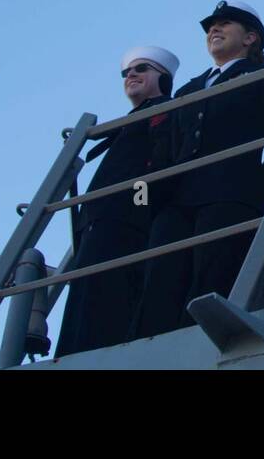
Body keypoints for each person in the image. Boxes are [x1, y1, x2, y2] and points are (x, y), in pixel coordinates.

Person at [132, 0, 264, 337]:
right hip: (178, 202)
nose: (214, 30)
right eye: (211, 26)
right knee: (160, 283)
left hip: (229, 197)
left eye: (225, 24)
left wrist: (254, 190)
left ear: (251, 38)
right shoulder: (190, 88)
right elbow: (166, 148)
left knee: (211, 281)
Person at [55, 46, 178, 357]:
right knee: (86, 294)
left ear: (163, 79)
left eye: (142, 69)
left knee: (106, 297)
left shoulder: (165, 110)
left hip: (126, 222)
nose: (131, 75)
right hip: (100, 221)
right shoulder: (130, 121)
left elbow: (163, 162)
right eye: (127, 72)